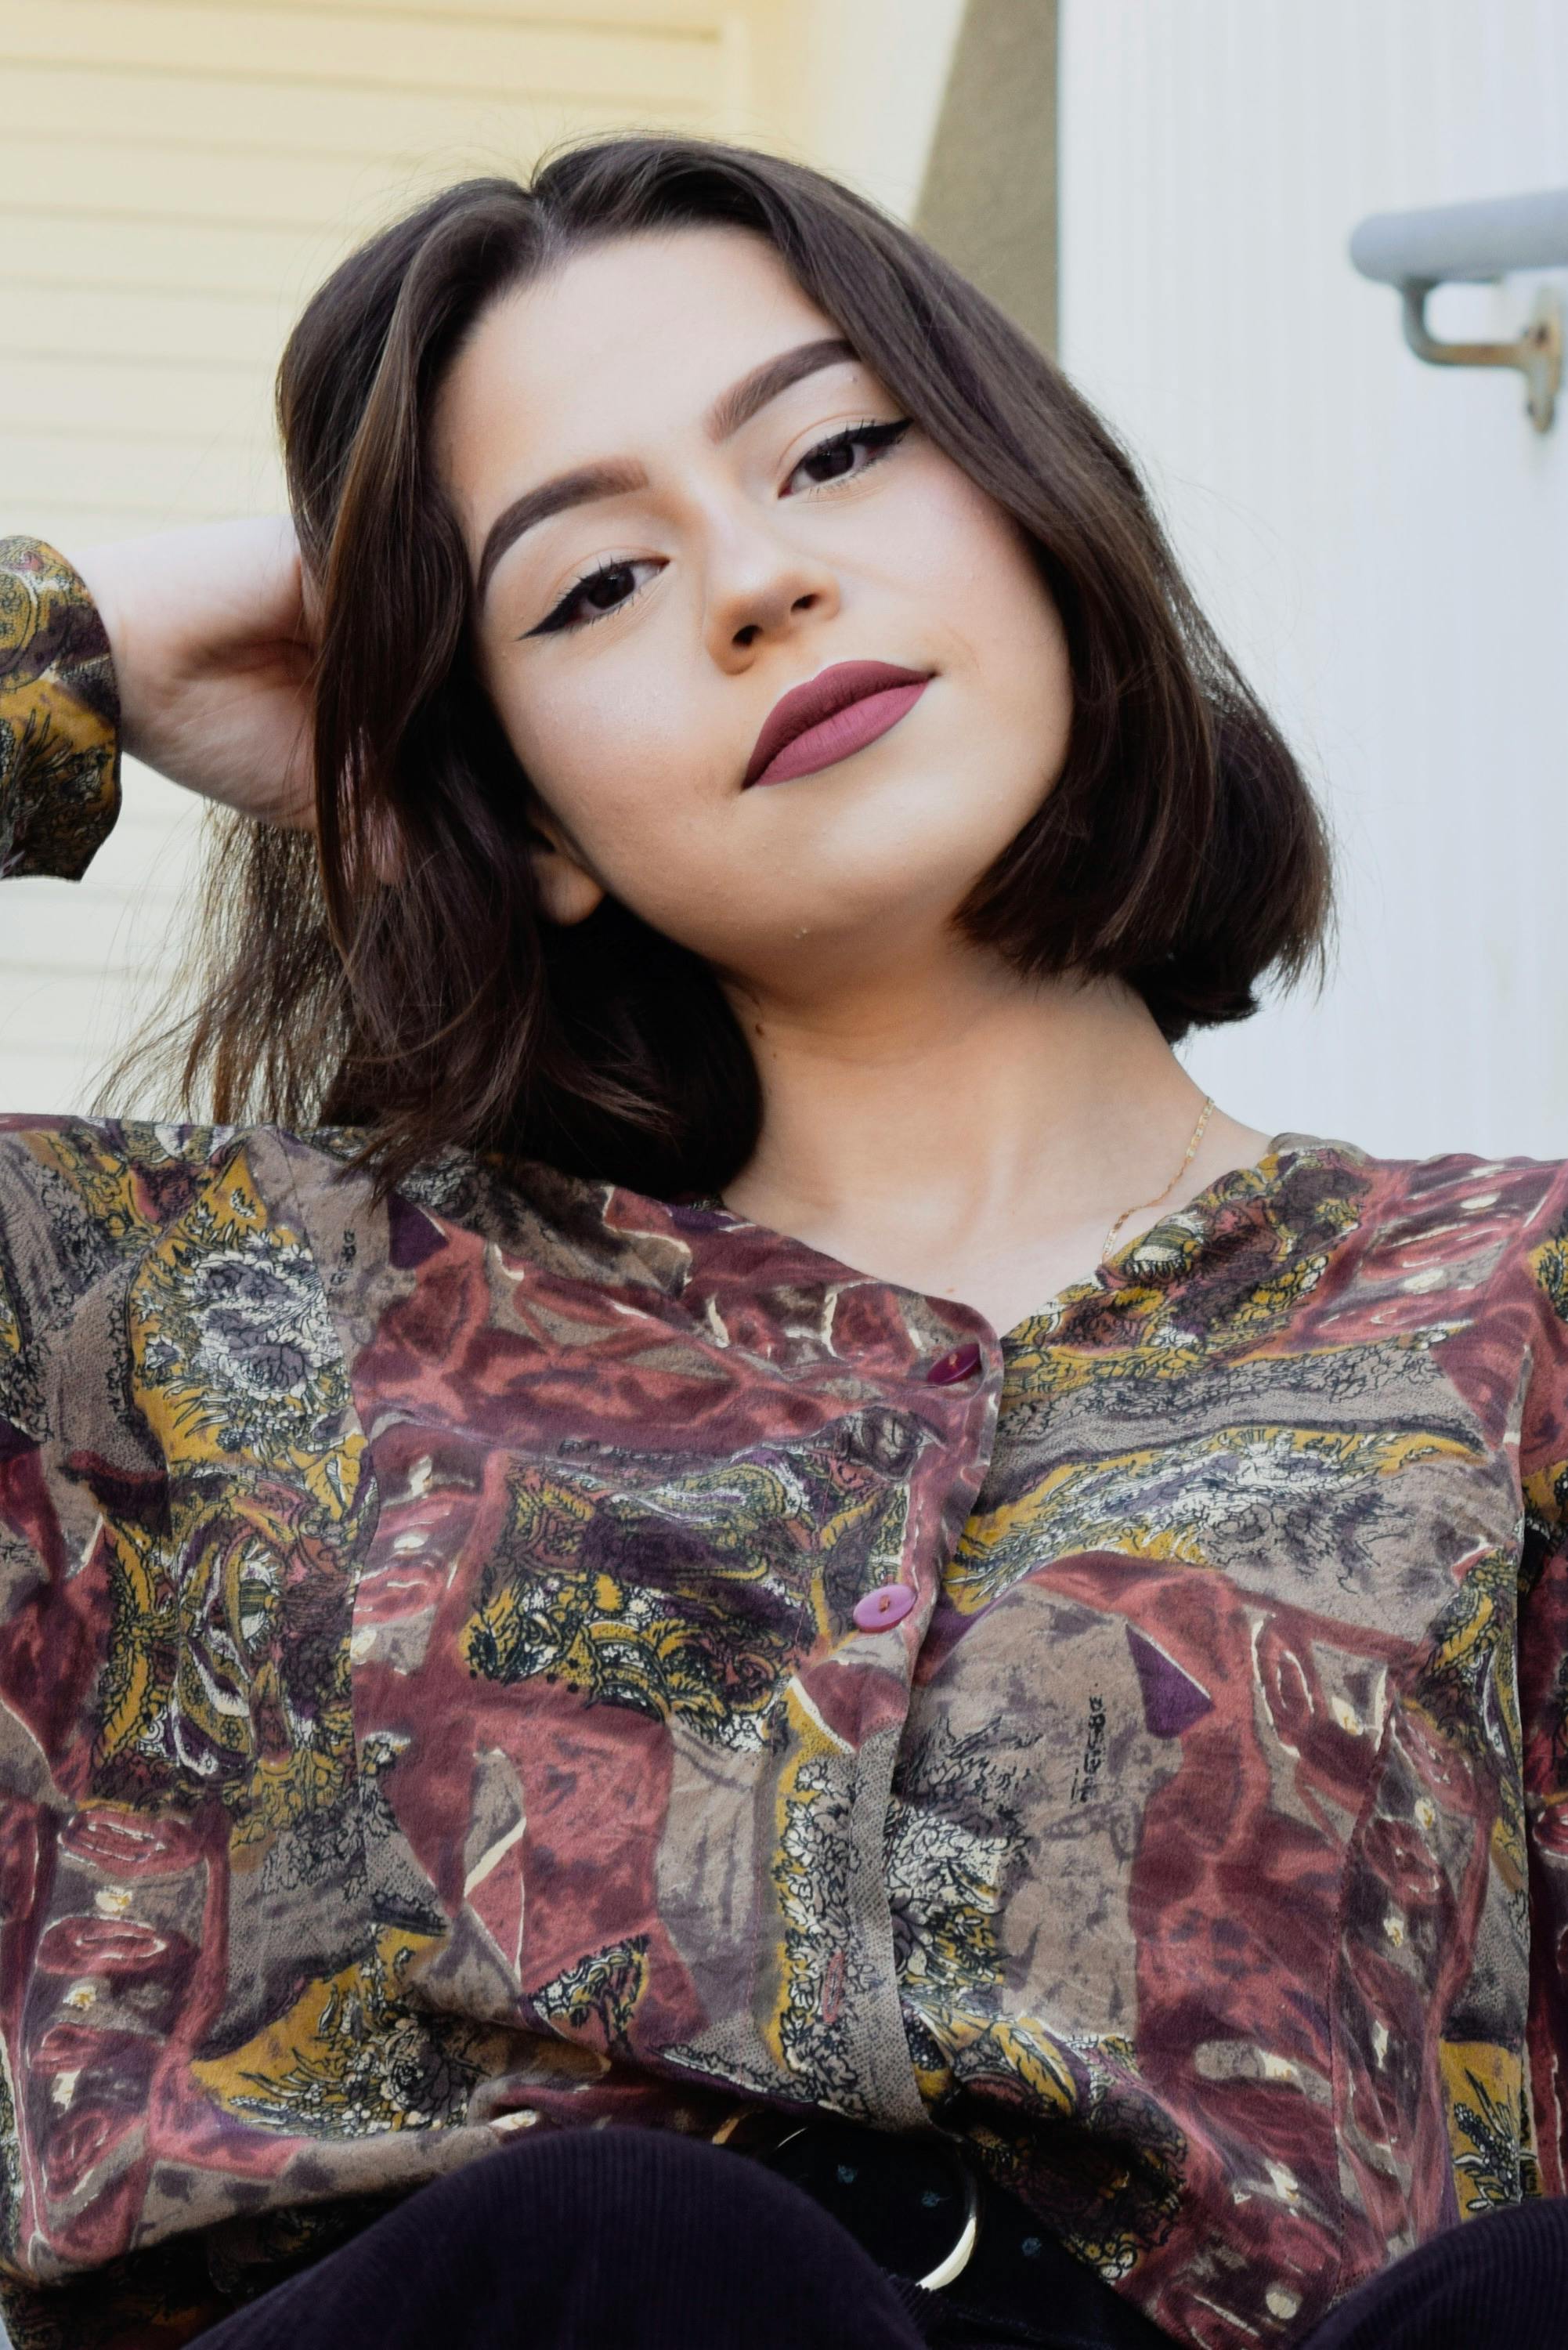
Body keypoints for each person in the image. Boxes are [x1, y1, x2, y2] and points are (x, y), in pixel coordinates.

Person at [0, 134, 1564, 2350]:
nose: (755, 583)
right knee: (637, 2255)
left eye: (835, 453)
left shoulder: (1506, 1313)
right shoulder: (176, 1317)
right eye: (590, 587)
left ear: (1038, 514)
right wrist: (87, 637)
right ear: (518, 801)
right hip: (547, 2319)